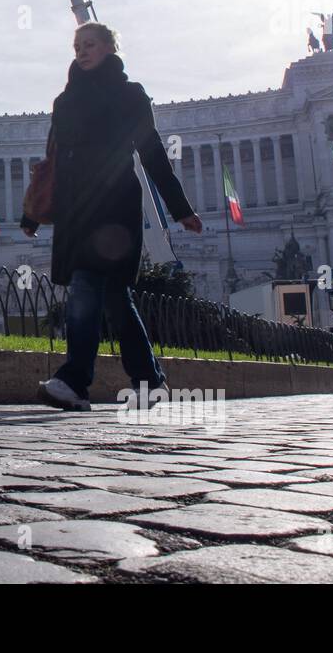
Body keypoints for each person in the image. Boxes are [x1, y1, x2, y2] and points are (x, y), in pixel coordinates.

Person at [20, 21, 203, 411]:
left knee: (88, 289)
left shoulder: (129, 95)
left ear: (109, 47)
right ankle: (150, 381)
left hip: (114, 208)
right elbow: (52, 160)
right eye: (77, 46)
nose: (82, 51)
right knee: (116, 299)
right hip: (75, 210)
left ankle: (74, 382)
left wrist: (180, 207)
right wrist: (32, 213)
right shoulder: (64, 101)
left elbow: (152, 150)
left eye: (90, 44)